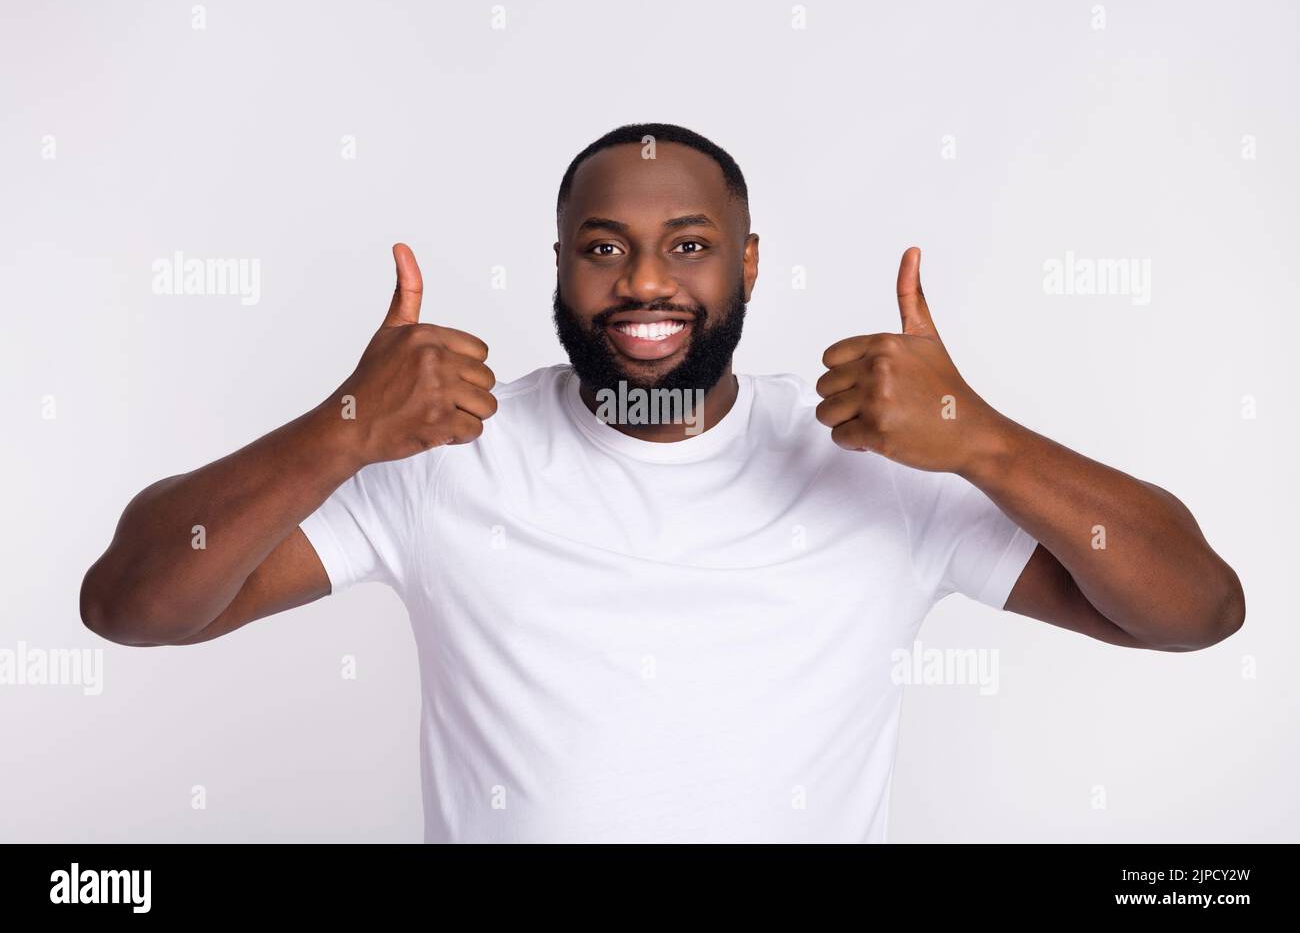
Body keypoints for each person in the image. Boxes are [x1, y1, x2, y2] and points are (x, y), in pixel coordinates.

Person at [80, 123, 1245, 842]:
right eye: (604, 246)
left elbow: (1194, 609)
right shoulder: (442, 454)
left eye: (687, 244)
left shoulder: (874, 462)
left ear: (745, 264)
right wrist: (342, 426)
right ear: (559, 266)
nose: (645, 281)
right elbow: (131, 603)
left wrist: (984, 439)